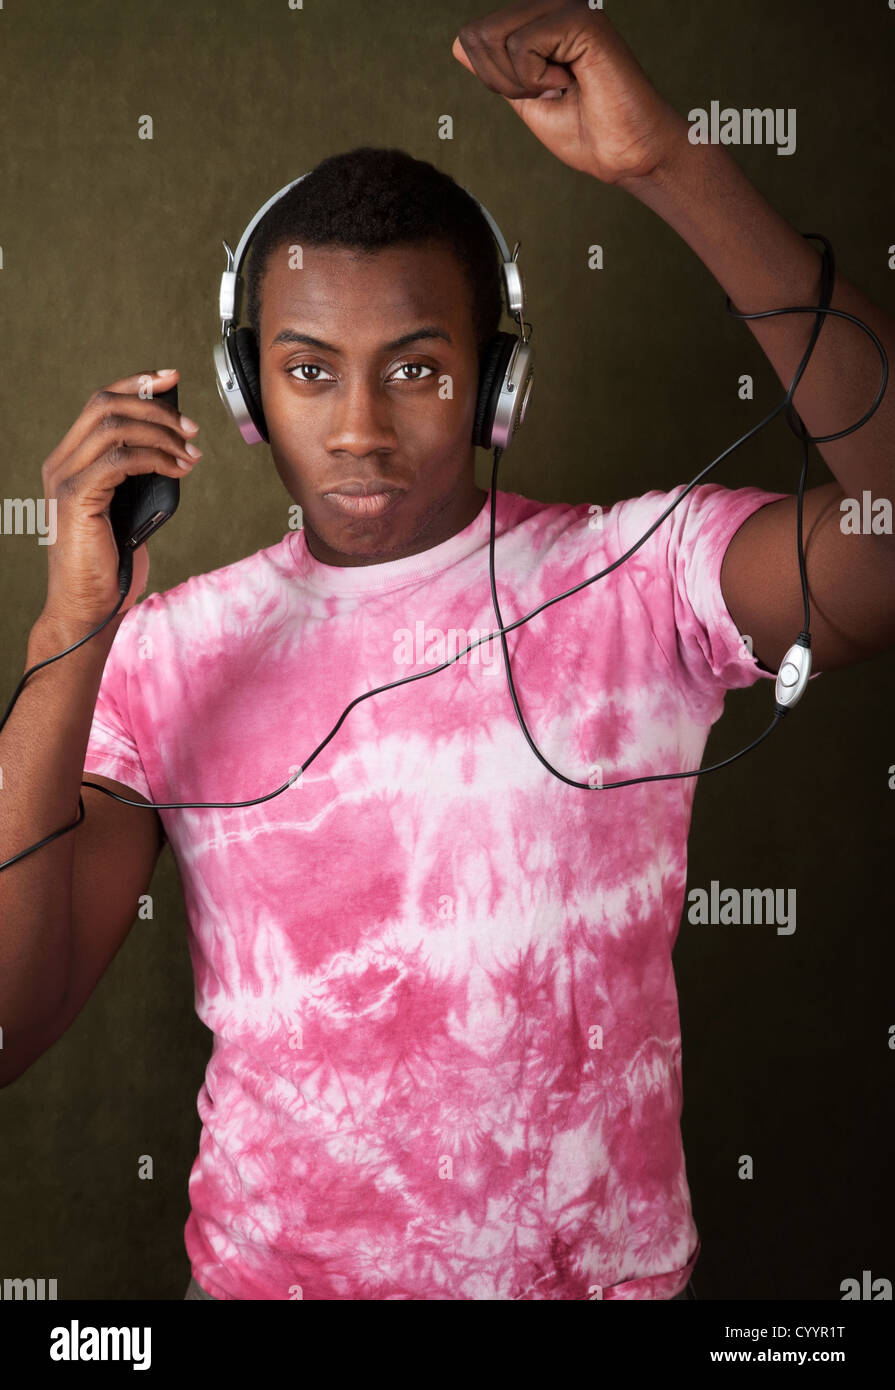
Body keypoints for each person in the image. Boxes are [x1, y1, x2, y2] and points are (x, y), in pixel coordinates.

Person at [1, 3, 893, 1302]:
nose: (358, 426)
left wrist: (669, 168)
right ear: (248, 393)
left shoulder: (637, 581)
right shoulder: (168, 652)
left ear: (496, 386)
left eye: (414, 369)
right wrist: (63, 632)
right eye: (310, 370)